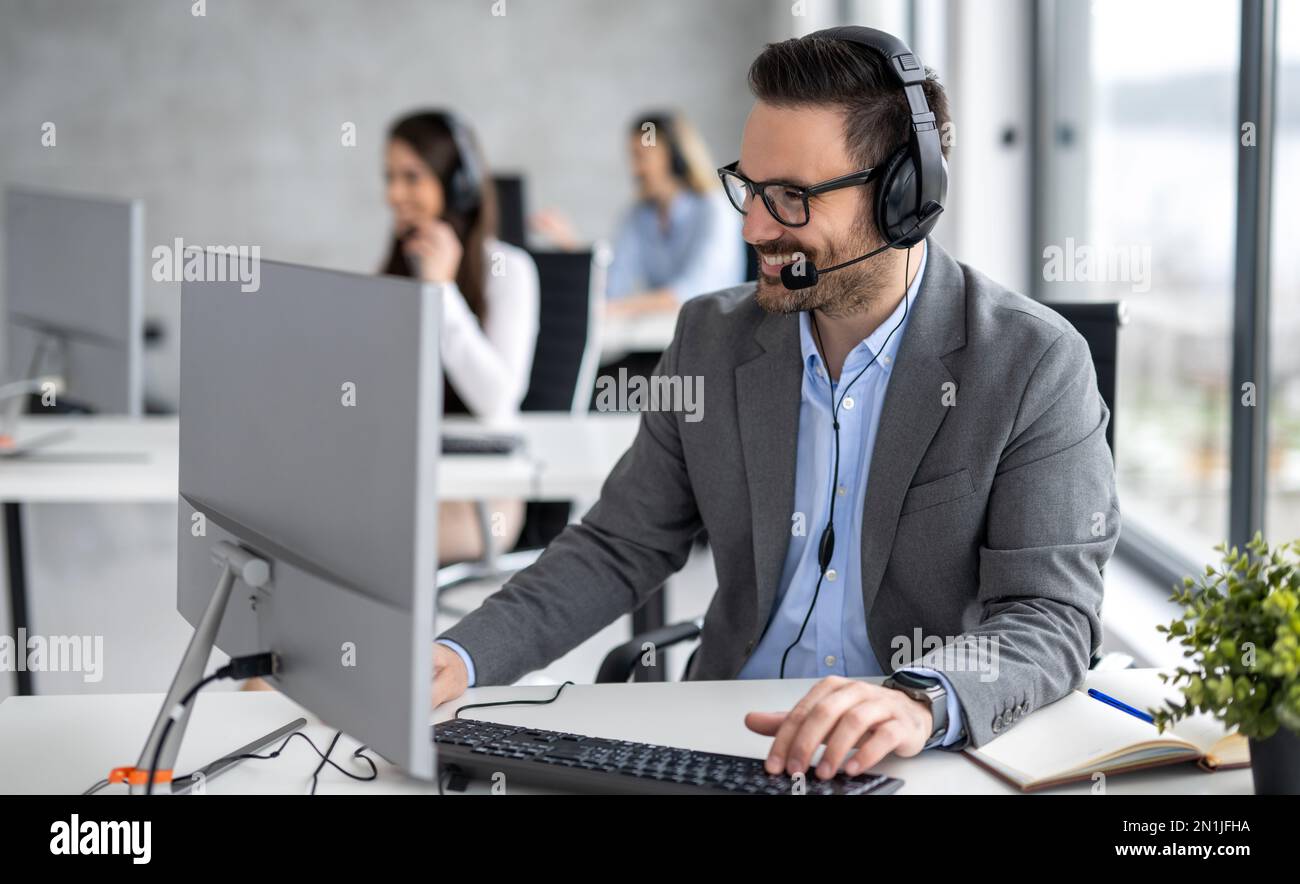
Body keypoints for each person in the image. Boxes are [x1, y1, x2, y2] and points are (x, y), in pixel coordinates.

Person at [432, 27, 1119, 782]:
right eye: (749, 187)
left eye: (791, 198)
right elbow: (619, 544)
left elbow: (1050, 618)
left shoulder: (1030, 364)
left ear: (903, 200)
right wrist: (461, 656)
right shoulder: (710, 338)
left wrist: (922, 700)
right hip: (723, 736)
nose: (754, 227)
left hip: (911, 758)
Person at [383, 110, 539, 565]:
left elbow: (496, 399)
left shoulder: (508, 271)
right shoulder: (397, 268)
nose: (394, 194)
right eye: (390, 177)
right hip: (402, 479)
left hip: (480, 496)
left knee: (348, 540)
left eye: (412, 177)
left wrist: (441, 292)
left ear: (458, 185)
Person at [532, 111, 746, 317]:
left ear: (674, 156)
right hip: (668, 336)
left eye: (641, 156)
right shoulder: (640, 216)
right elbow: (613, 287)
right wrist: (572, 247)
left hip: (714, 333)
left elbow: (692, 292)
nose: (634, 169)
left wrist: (617, 308)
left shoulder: (715, 209)